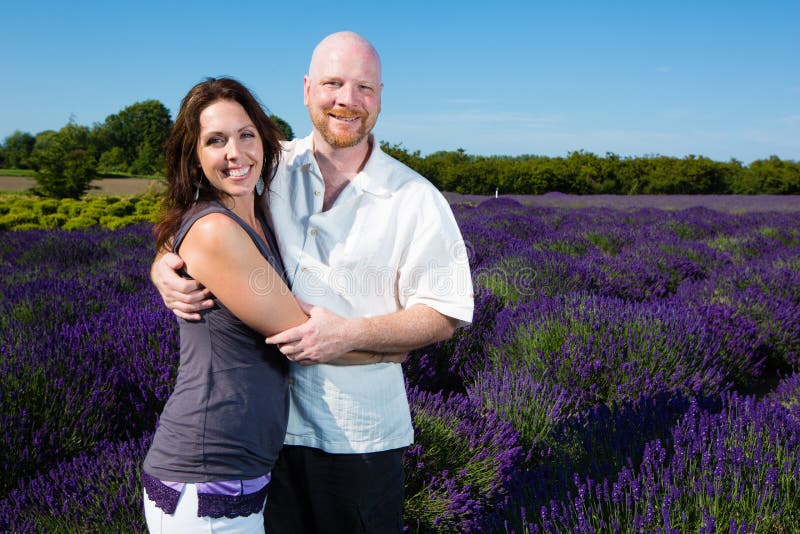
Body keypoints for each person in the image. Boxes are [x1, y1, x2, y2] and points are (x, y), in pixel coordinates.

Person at [151, 31, 474, 533]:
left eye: (364, 87)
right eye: (333, 83)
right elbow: (205, 208)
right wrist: (165, 261)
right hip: (270, 443)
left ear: (381, 96)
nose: (348, 100)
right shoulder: (268, 163)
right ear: (306, 89)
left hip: (359, 441)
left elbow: (445, 313)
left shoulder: (416, 197)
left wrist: (354, 337)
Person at [142, 76, 402, 533]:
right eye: (215, 140)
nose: (235, 153)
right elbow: (303, 335)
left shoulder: (258, 214)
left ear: (264, 138)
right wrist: (388, 350)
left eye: (246, 135)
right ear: (195, 157)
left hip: (239, 474)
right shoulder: (217, 231)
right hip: (207, 478)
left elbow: (179, 238)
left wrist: (161, 260)